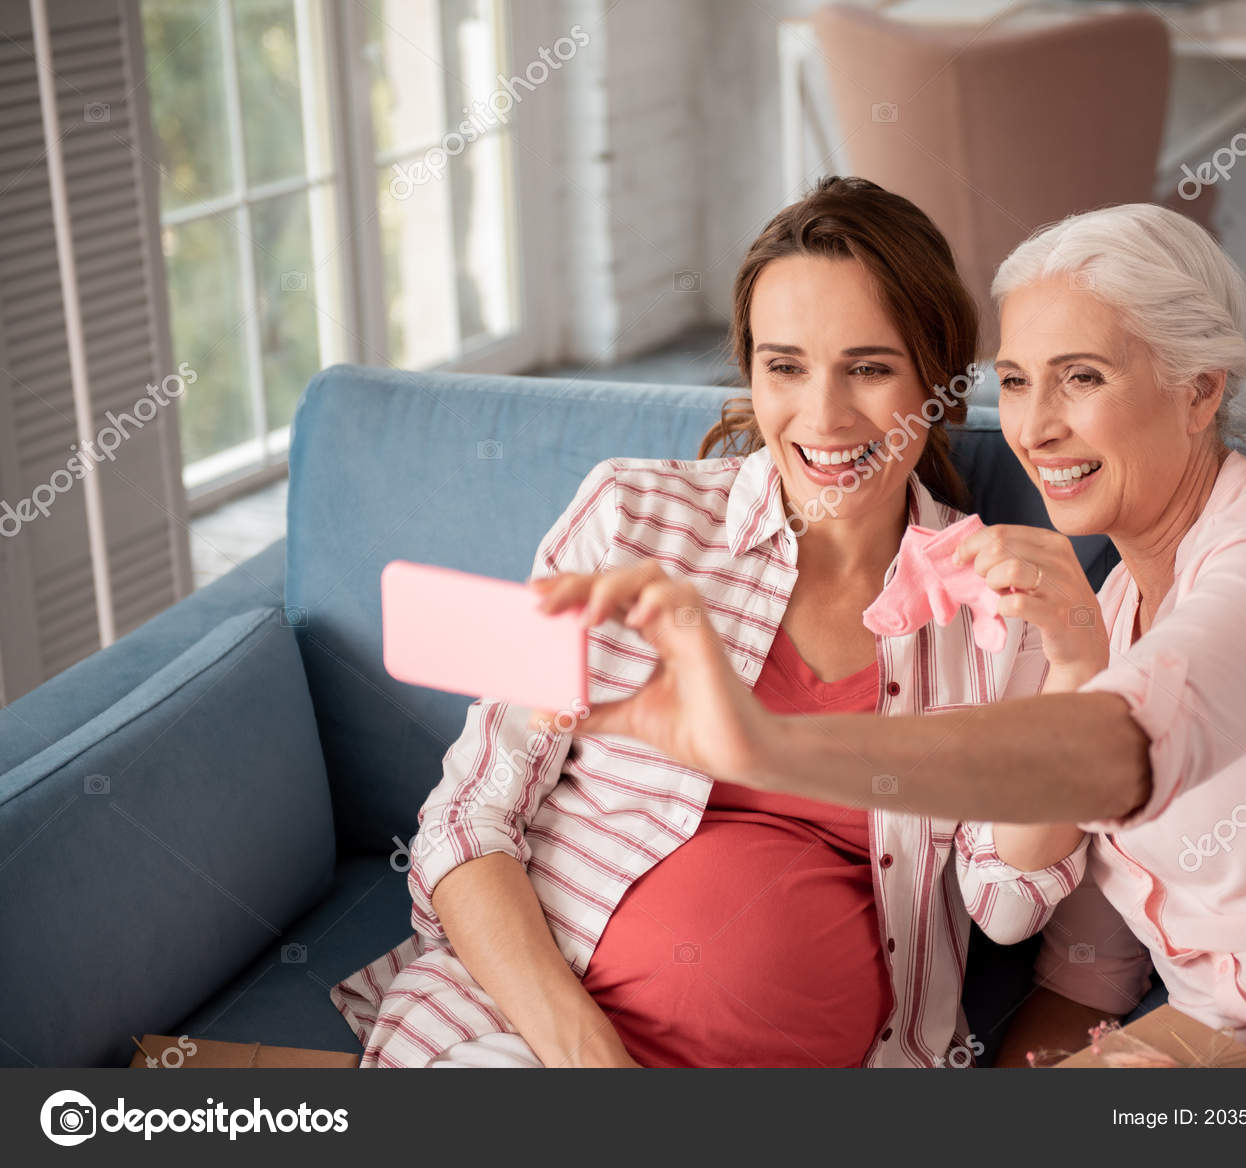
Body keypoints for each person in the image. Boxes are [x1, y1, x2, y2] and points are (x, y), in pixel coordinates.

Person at [533, 203, 1246, 1068]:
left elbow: (1130, 744)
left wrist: (765, 746)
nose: (1035, 426)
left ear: (1199, 391)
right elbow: (1082, 970)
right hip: (1234, 1040)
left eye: (1081, 378)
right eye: (1014, 381)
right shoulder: (1099, 621)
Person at [329, 176, 1104, 1069]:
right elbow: (467, 822)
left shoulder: (990, 616)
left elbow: (1008, 905)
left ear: (936, 379)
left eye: (868, 367)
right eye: (785, 366)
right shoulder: (626, 520)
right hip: (530, 1041)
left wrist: (1075, 676)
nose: (823, 415)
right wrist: (591, 1063)